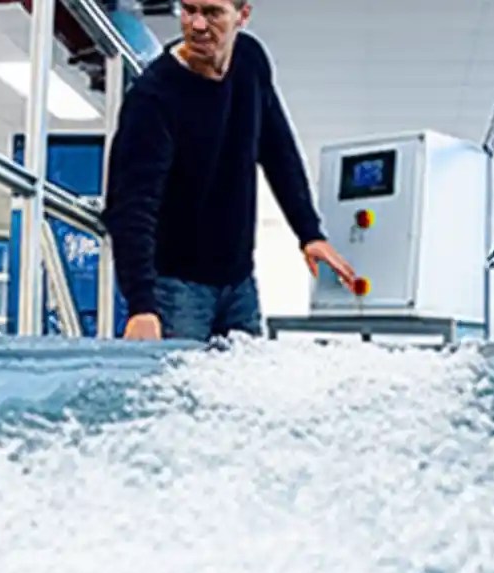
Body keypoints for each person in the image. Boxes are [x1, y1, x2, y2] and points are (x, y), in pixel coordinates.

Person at [102, 0, 357, 341]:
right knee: (182, 392)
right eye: (188, 9)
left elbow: (278, 147)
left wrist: (309, 232)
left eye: (212, 12)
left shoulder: (250, 60)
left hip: (239, 281)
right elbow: (132, 207)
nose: (197, 25)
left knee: (243, 387)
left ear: (243, 16)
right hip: (176, 288)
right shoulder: (154, 97)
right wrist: (142, 306)